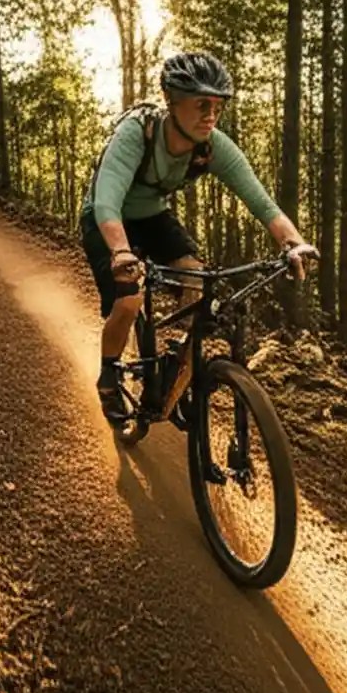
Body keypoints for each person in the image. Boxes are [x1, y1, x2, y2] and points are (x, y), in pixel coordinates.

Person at [79, 52, 318, 424]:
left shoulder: (212, 145)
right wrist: (122, 252)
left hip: (153, 217)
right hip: (106, 221)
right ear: (171, 102)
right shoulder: (136, 134)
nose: (211, 115)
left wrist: (293, 242)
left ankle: (178, 377)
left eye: (218, 107)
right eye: (202, 104)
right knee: (129, 300)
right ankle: (109, 377)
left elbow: (260, 199)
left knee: (198, 284)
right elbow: (107, 200)